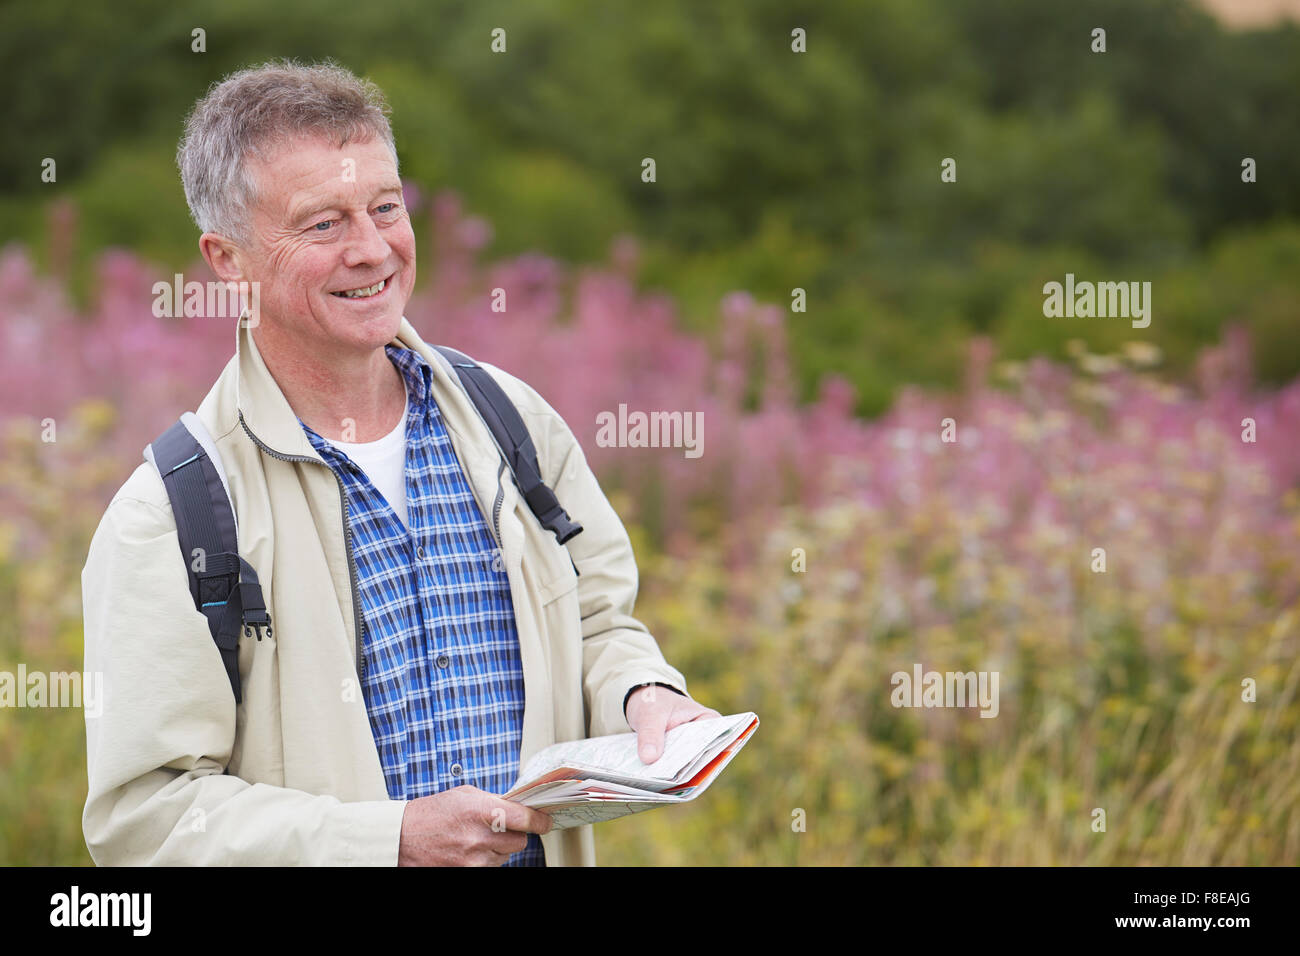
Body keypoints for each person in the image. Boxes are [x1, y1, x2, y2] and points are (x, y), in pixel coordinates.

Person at [81, 59, 720, 867]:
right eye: (323, 224)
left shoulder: (512, 421)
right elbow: (146, 820)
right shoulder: (173, 515)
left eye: (386, 207)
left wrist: (643, 692)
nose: (372, 248)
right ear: (227, 259)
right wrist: (388, 843)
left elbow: (597, 623)